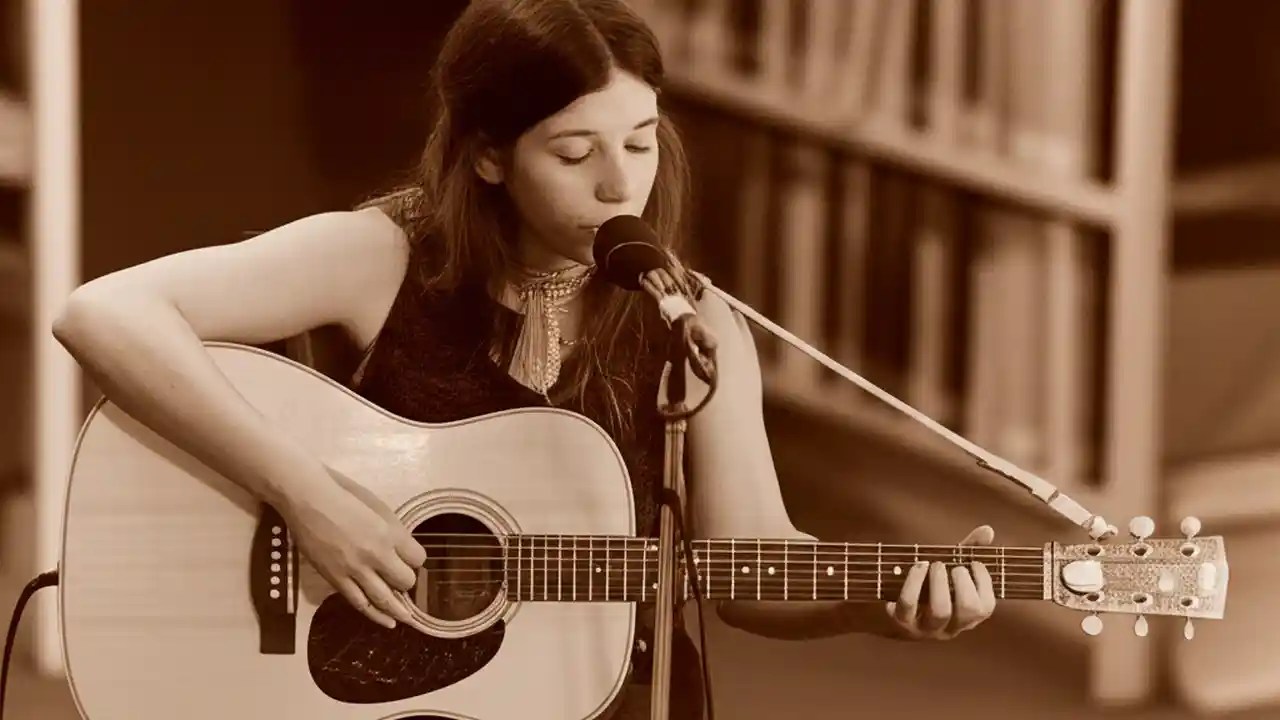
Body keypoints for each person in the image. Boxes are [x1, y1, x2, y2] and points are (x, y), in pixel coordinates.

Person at [51, 0, 997, 717]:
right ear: (489, 157)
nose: (620, 181)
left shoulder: (693, 324)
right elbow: (104, 312)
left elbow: (749, 566)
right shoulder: (381, 255)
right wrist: (310, 497)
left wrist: (869, 607)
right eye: (575, 151)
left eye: (639, 141)